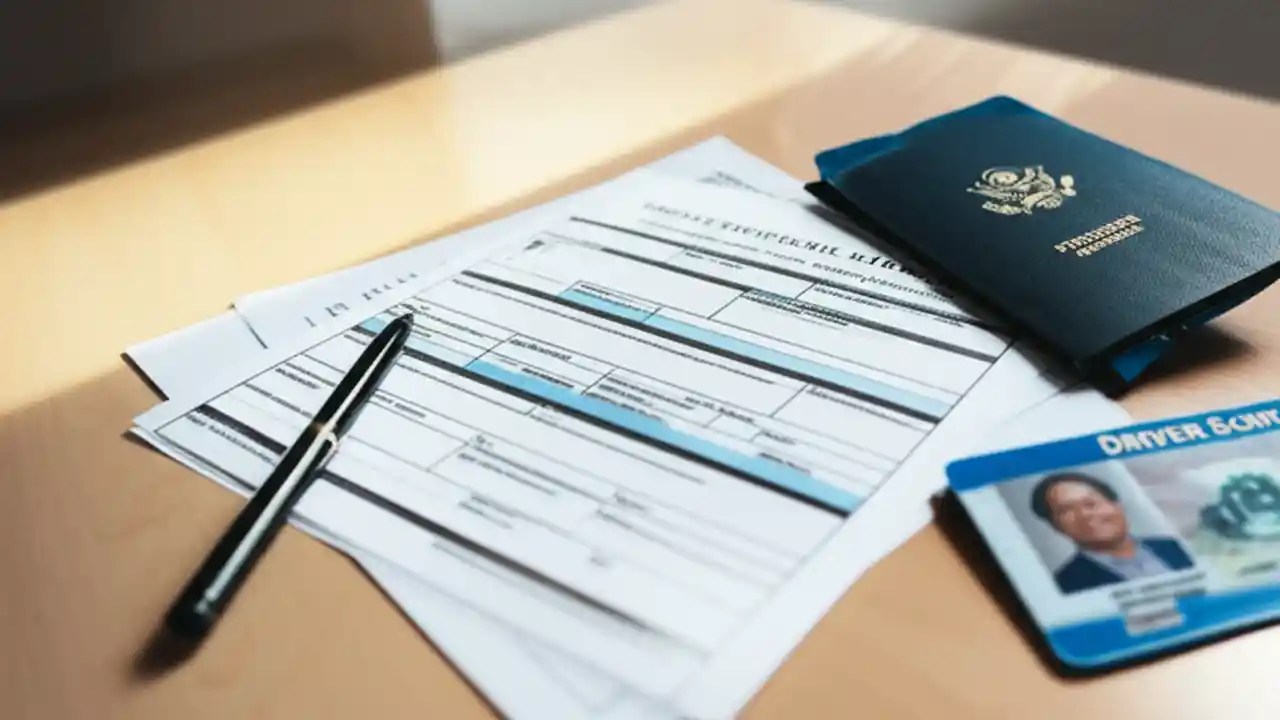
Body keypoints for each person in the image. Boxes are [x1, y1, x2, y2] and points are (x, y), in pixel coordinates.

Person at [1030, 472, 1193, 594]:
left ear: (1117, 506)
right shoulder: (1065, 584)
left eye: (1090, 503)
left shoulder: (1174, 546)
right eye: (1066, 510)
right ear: (1055, 526)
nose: (1085, 515)